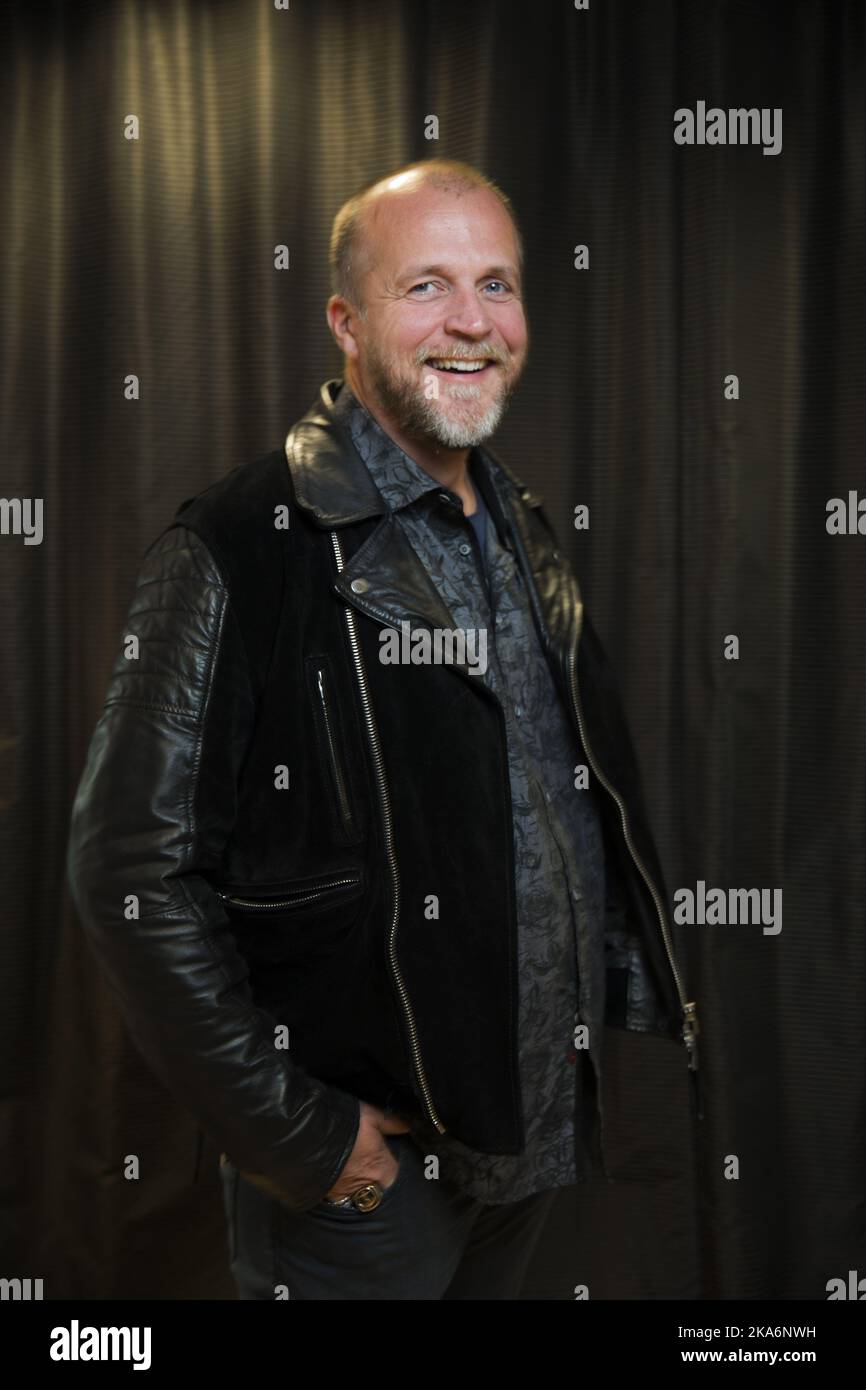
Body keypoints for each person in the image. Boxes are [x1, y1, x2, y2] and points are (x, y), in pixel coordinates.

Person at [67, 157, 699, 1300]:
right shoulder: (239, 547)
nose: (470, 322)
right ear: (345, 323)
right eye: (426, 287)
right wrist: (310, 1144)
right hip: (368, 1186)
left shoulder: (523, 529)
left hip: (526, 1145)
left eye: (495, 285)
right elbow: (127, 870)